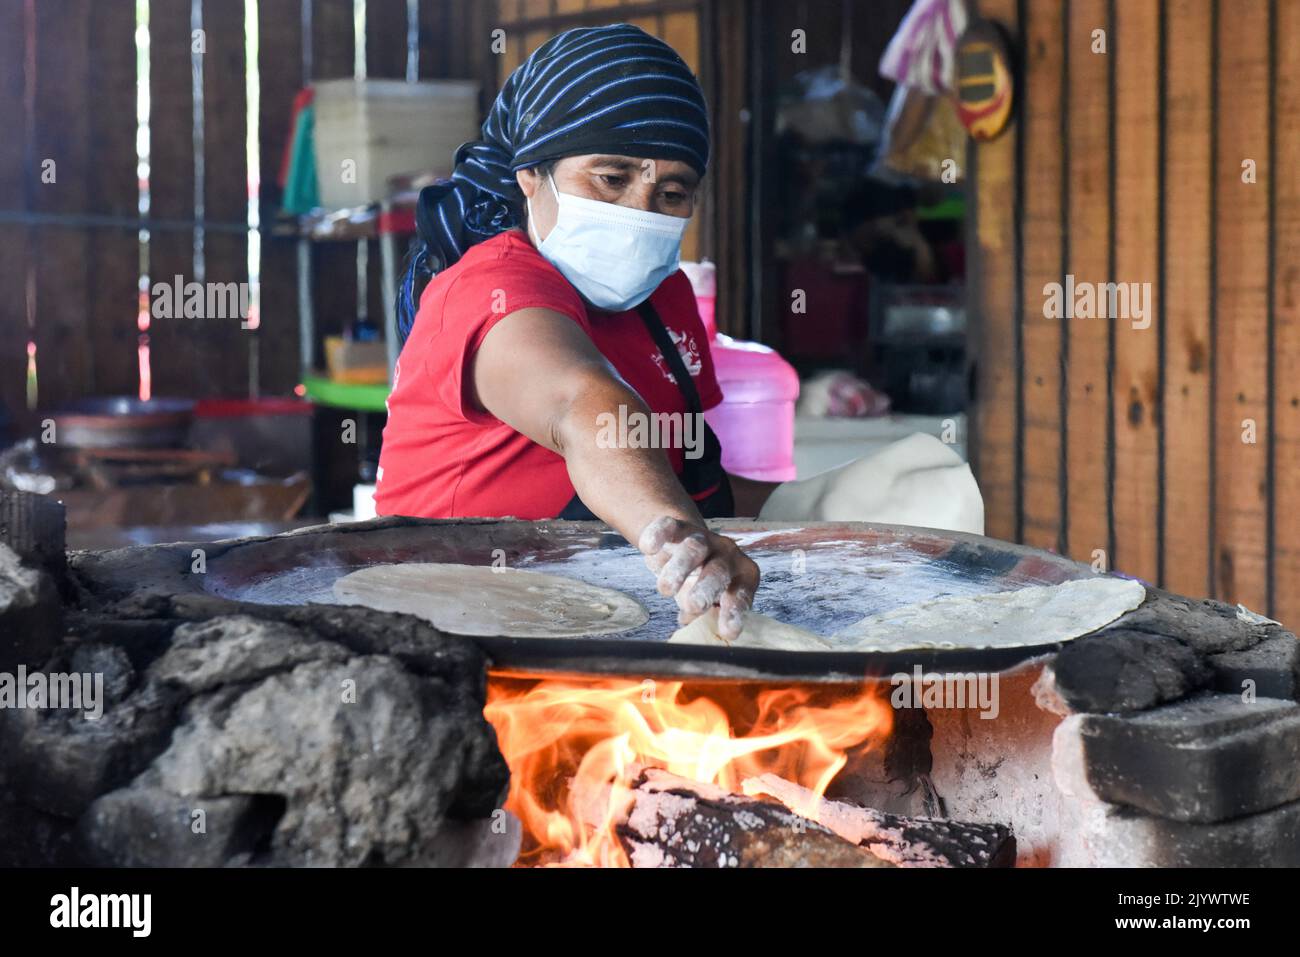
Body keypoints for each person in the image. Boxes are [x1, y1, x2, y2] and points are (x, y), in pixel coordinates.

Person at [375, 24, 771, 640]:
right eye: (610, 179)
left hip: (622, 617)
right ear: (532, 176)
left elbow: (698, 471)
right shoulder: (489, 287)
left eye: (671, 192)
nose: (639, 213)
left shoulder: (664, 297)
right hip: (462, 631)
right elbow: (581, 405)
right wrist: (683, 542)